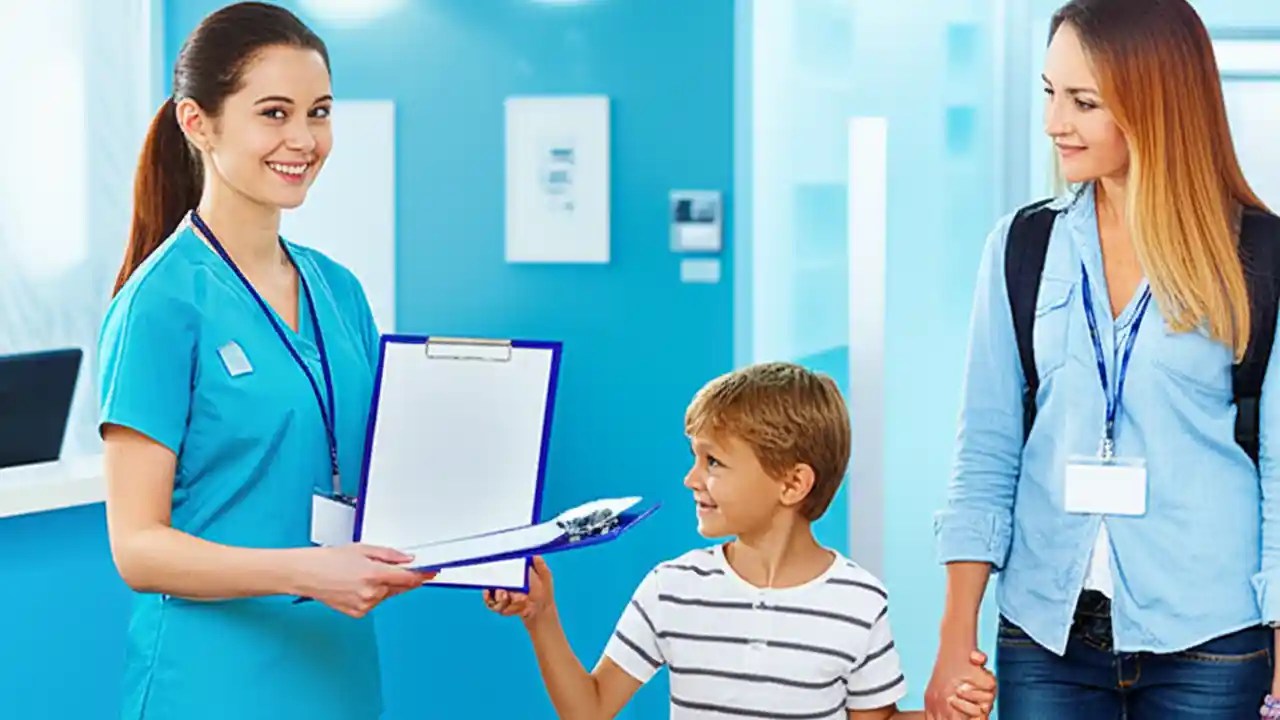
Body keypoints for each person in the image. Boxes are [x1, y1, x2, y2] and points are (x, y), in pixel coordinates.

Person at [926, 1, 1280, 718]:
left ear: (1157, 102)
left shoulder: (1259, 256)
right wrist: (953, 632)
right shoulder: (1021, 247)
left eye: (1083, 102)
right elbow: (987, 450)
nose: (1056, 122)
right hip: (1045, 635)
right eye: (1050, 93)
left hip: (1210, 636)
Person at [98, 3, 431, 718]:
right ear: (198, 123)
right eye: (274, 113)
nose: (303, 139)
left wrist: (481, 555)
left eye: (319, 112)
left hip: (334, 671)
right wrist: (309, 570)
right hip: (211, 681)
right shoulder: (158, 305)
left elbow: (376, 474)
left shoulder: (339, 290)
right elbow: (137, 547)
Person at [485, 362, 997, 719]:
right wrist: (542, 617)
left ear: (792, 484)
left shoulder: (859, 603)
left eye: (714, 462)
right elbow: (590, 709)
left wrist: (945, 715)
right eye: (695, 457)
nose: (691, 478)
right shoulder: (672, 589)